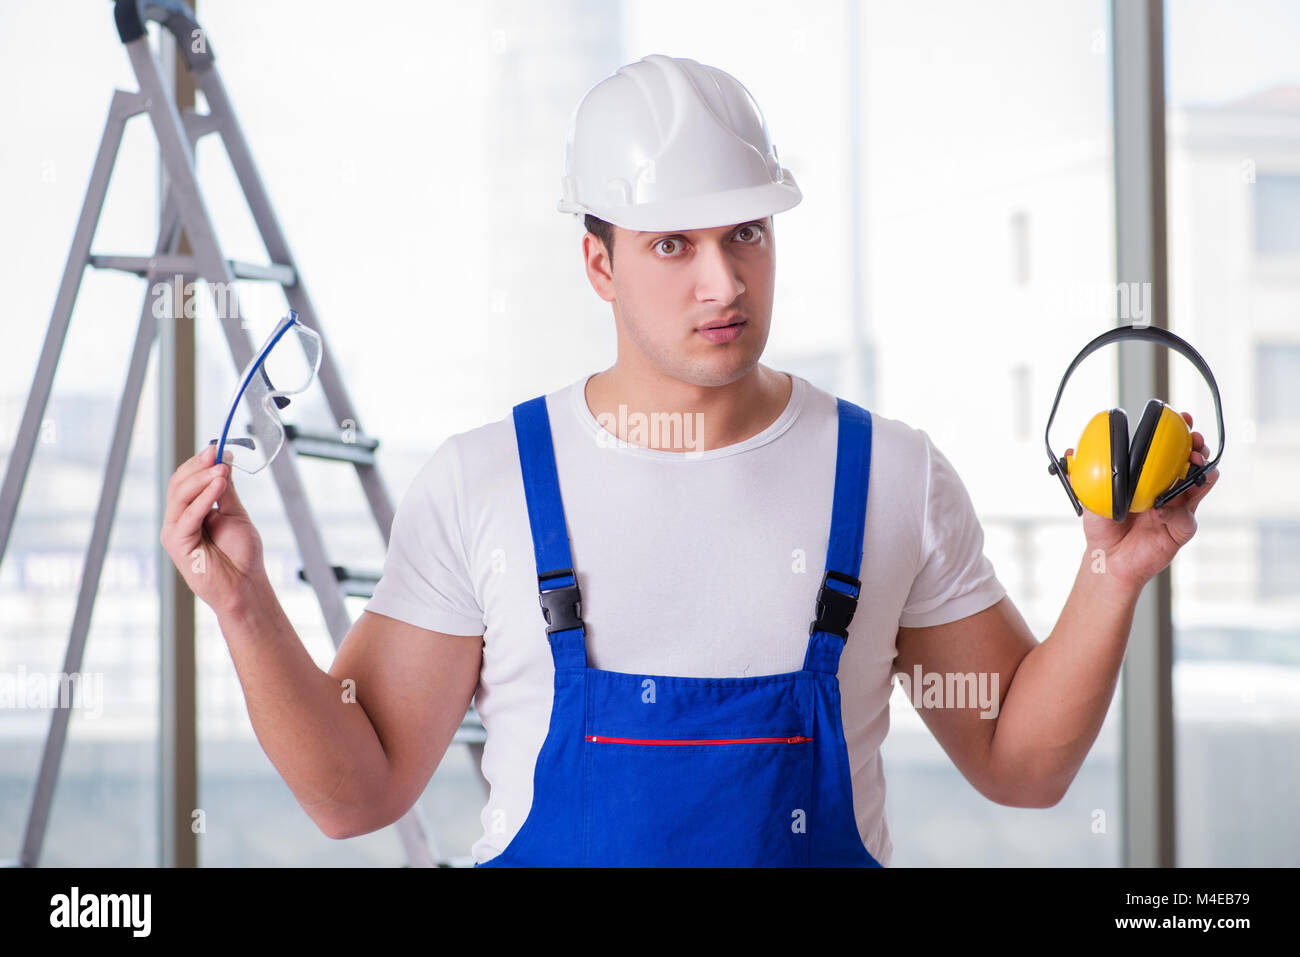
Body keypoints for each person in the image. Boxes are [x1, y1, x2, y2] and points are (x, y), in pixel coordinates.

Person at [160, 54, 1218, 867]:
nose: (723, 283)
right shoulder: (487, 483)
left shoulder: (889, 477)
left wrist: (1108, 575)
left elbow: (1023, 768)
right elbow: (357, 793)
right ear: (598, 261)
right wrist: (245, 605)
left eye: (745, 234)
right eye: (674, 245)